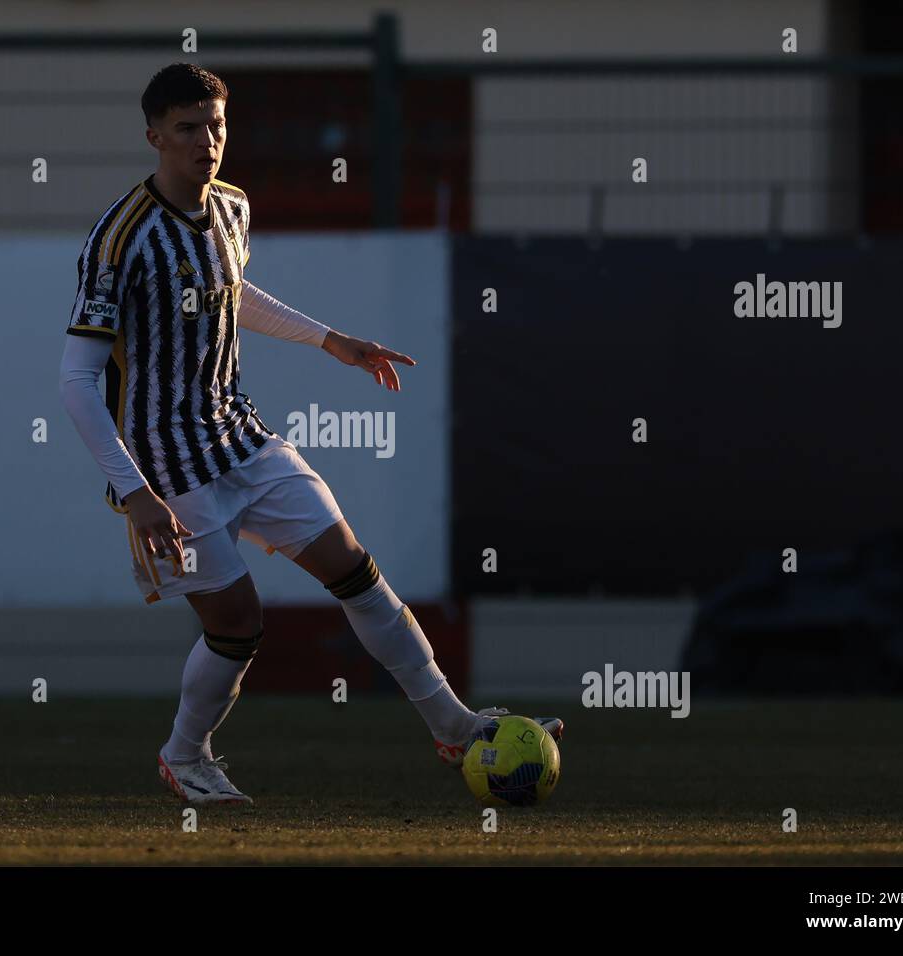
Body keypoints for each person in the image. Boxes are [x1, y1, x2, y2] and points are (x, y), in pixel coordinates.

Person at [60, 63, 560, 804]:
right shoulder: (120, 238)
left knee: (355, 570)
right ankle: (184, 754)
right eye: (189, 129)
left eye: (218, 125)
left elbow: (232, 292)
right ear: (154, 137)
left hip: (241, 437)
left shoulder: (231, 208)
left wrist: (330, 340)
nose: (208, 141)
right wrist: (134, 491)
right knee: (239, 626)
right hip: (168, 470)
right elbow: (75, 382)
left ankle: (454, 726)